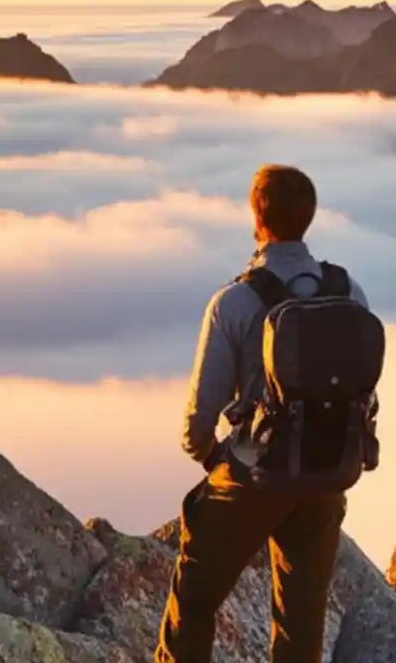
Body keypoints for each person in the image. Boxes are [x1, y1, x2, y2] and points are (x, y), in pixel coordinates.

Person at [155, 164, 371, 663]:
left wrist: (213, 458)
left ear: (257, 218)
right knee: (301, 626)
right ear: (309, 218)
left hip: (256, 474)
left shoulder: (234, 302)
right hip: (326, 474)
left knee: (194, 597)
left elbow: (198, 419)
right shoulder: (349, 292)